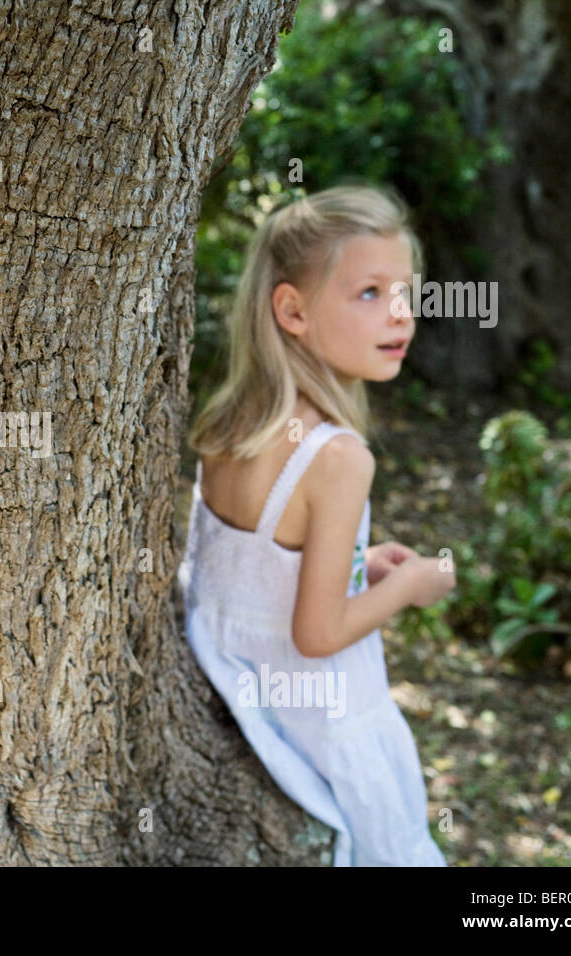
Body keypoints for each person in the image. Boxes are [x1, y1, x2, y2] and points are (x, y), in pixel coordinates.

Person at [178, 184, 453, 866]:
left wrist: (361, 561)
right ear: (292, 310)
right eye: (369, 293)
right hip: (329, 731)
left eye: (406, 292)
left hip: (251, 705)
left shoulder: (228, 425)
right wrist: (411, 584)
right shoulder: (338, 458)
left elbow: (258, 572)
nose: (401, 315)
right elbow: (318, 632)